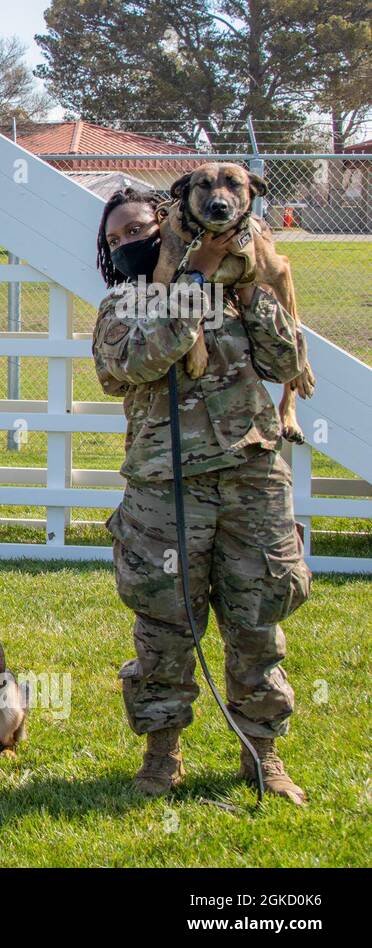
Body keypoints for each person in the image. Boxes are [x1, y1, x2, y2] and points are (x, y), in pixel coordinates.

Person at [93, 186, 311, 804]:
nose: (128, 243)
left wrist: (242, 289)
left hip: (251, 475)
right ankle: (162, 755)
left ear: (166, 225)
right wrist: (193, 280)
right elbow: (136, 364)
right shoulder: (121, 308)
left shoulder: (242, 291)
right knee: (164, 623)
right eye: (116, 240)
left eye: (138, 229)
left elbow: (287, 360)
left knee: (257, 620)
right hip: (165, 486)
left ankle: (262, 755)